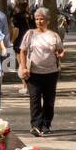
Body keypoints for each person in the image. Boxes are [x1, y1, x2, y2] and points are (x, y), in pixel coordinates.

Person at [18, 7, 65, 137]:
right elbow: (23, 51)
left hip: (51, 72)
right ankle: (35, 125)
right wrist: (23, 67)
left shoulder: (53, 35)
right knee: (35, 99)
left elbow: (61, 50)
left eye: (42, 19)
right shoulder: (30, 34)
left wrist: (60, 54)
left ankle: (46, 123)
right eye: (37, 19)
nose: (39, 21)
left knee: (49, 100)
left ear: (47, 21)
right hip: (33, 73)